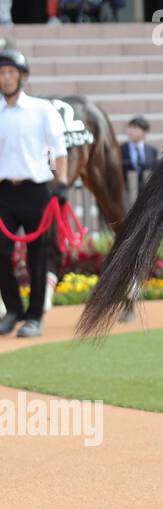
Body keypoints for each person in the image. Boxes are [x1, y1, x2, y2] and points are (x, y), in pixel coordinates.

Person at [0, 47, 68, 338]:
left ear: (22, 76)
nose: (5, 78)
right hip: (4, 192)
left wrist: (60, 182)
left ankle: (35, 316)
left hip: (35, 191)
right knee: (1, 252)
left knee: (37, 256)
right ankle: (13, 309)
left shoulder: (41, 110)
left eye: (10, 73)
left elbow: (55, 149)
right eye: (1, 73)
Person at [120, 115, 160, 187]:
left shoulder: (152, 151)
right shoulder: (120, 150)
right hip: (127, 192)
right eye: (129, 127)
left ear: (145, 132)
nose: (130, 131)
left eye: (135, 128)